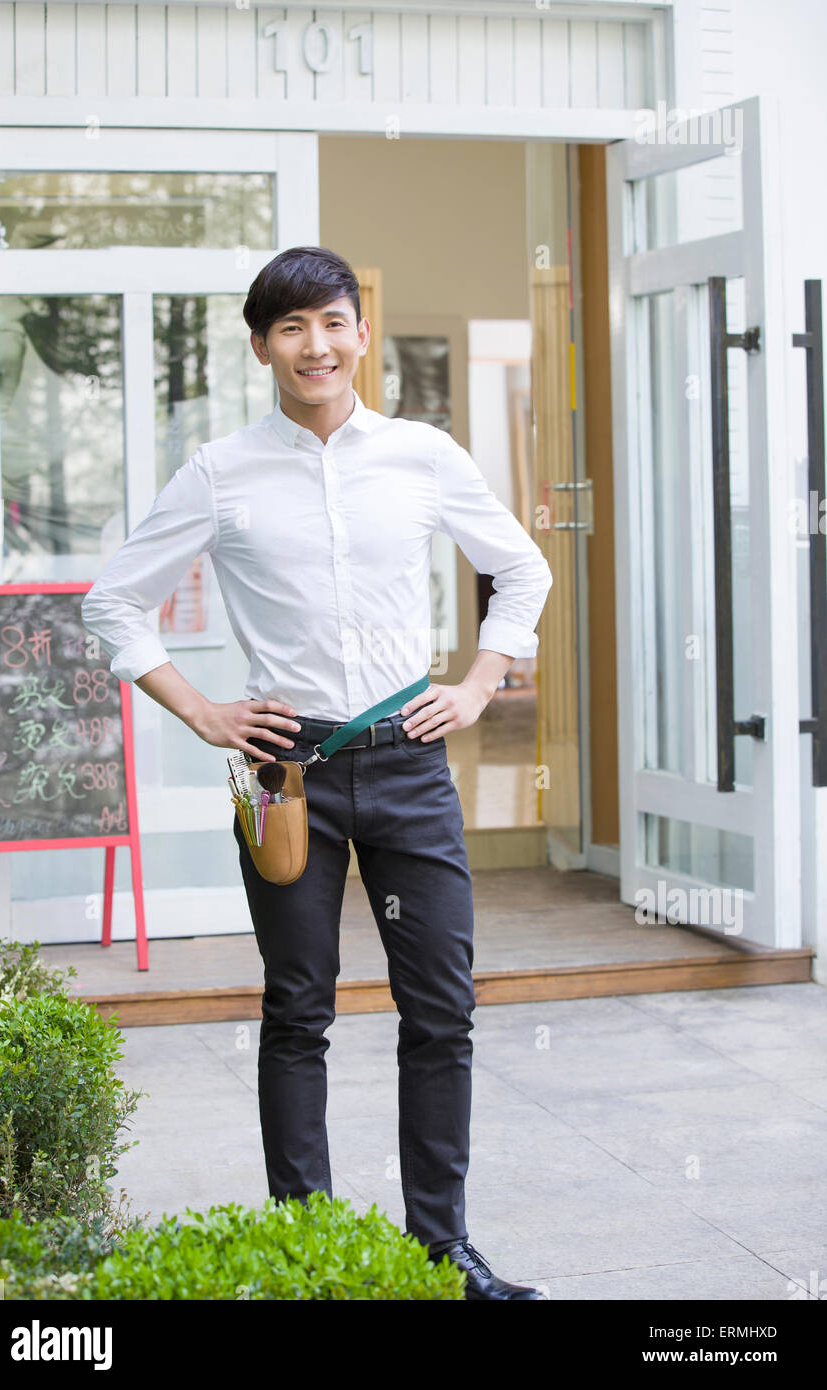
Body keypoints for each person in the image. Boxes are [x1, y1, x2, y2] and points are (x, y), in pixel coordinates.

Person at [81, 245, 553, 1300]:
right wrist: (202, 709)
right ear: (262, 346)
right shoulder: (219, 471)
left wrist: (477, 685)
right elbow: (114, 599)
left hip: (408, 764)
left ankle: (443, 1249)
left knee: (441, 1006)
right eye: (291, 328)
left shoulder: (422, 455)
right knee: (299, 1007)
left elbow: (521, 566)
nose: (316, 345)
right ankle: (309, 1251)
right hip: (284, 774)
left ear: (358, 332)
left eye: (331, 321)